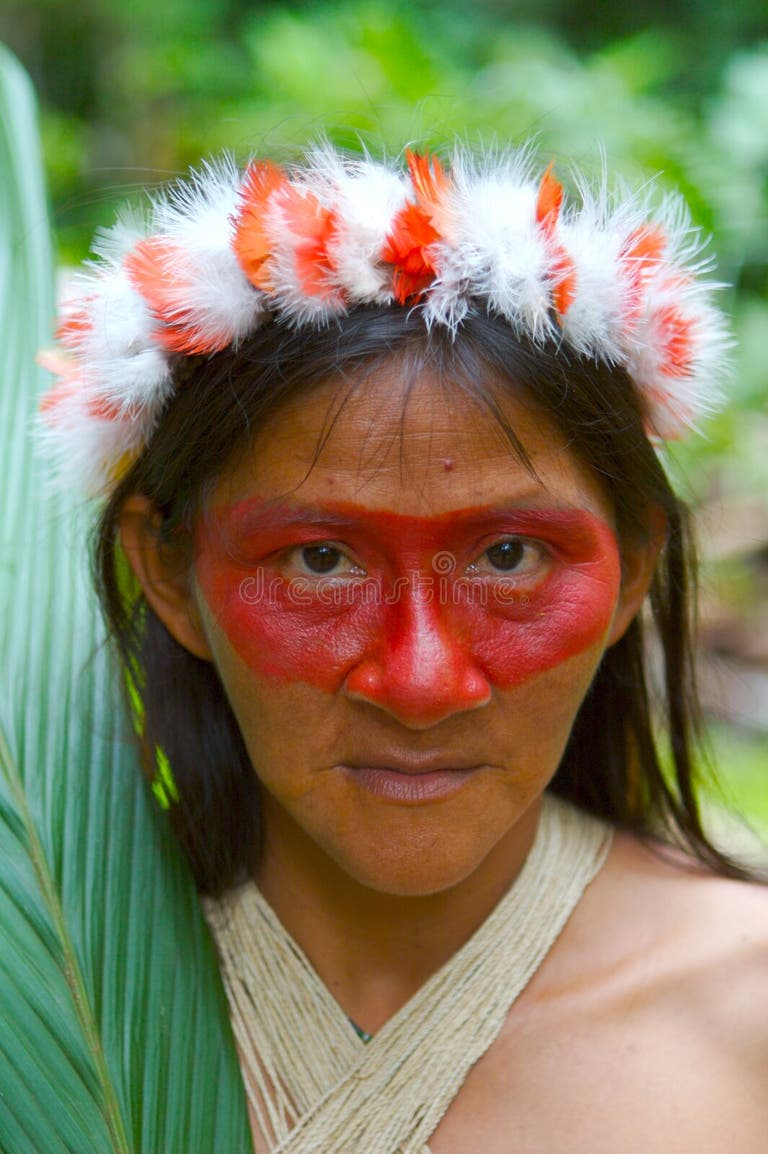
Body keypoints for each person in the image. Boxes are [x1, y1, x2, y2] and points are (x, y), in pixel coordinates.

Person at [40, 142, 768, 1152]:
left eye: (509, 555)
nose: (422, 681)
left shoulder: (747, 1012)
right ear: (169, 574)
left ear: (636, 565)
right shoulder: (43, 999)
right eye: (321, 560)